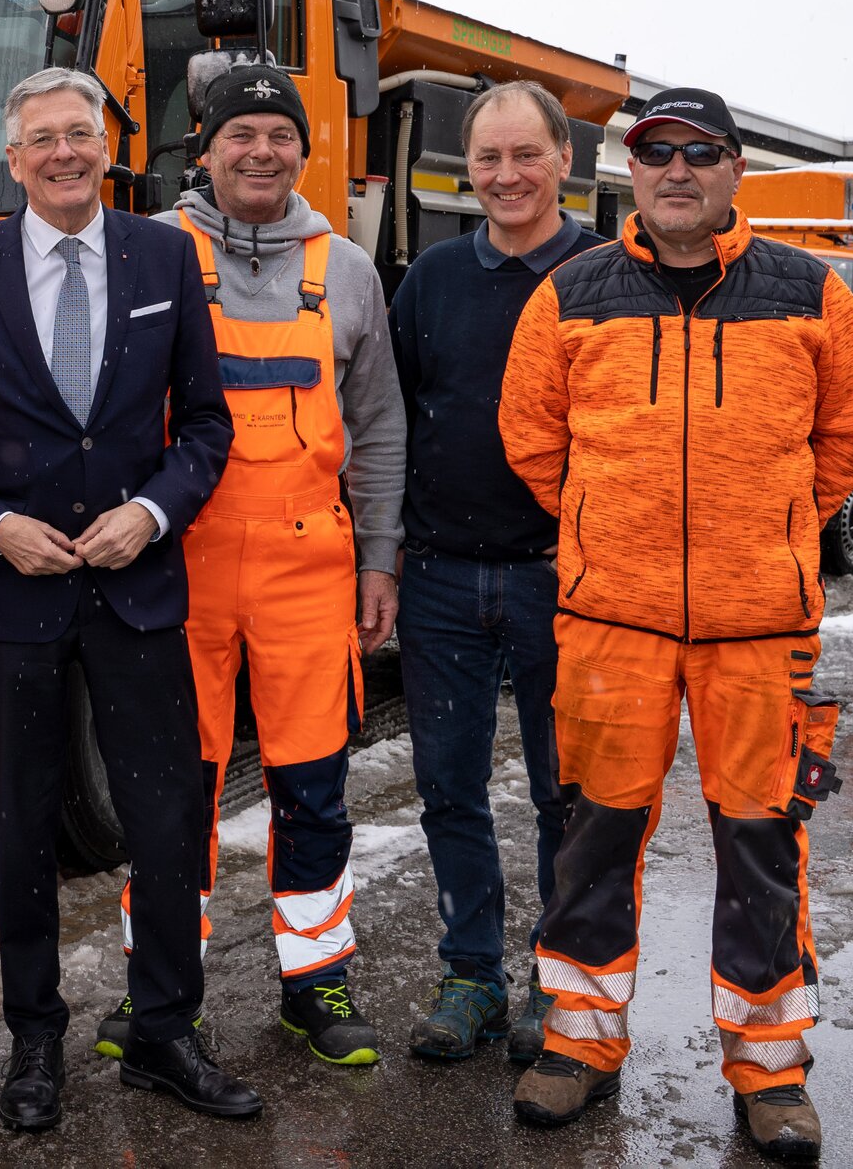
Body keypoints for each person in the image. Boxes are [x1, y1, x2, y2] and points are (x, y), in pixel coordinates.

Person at [499, 87, 853, 1162]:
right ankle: (577, 1045)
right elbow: (530, 438)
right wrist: (597, 526)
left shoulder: (810, 293)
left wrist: (763, 530)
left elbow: (847, 435)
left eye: (697, 153)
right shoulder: (571, 293)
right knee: (593, 839)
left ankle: (768, 1069)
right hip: (608, 622)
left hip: (758, 628)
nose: (674, 169)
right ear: (629, 169)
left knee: (761, 846)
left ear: (731, 171)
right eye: (654, 151)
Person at [0, 67, 252, 1130]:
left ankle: (161, 1033)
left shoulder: (162, 257)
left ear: (108, 151)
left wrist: (149, 513)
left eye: (80, 135)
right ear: (13, 160)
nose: (63, 152)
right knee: (17, 831)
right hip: (9, 600)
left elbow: (204, 425)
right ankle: (34, 1040)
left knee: (163, 815)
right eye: (42, 138)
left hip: (136, 591)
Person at [89, 64, 403, 1067]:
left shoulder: (348, 270)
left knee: (311, 789)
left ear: (301, 152)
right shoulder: (147, 255)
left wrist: (379, 560)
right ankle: (156, 996)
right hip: (178, 569)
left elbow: (379, 426)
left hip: (310, 568)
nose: (259, 150)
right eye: (239, 134)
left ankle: (315, 988)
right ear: (205, 148)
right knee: (169, 792)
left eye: (277, 134)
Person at [388, 81, 602, 1064]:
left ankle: (554, 983)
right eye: (486, 159)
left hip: (561, 579)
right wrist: (382, 555)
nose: (506, 176)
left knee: (567, 792)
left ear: (564, 159)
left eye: (525, 155)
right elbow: (388, 422)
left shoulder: (606, 278)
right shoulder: (430, 281)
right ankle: (468, 974)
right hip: (438, 577)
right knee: (448, 786)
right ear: (463, 169)